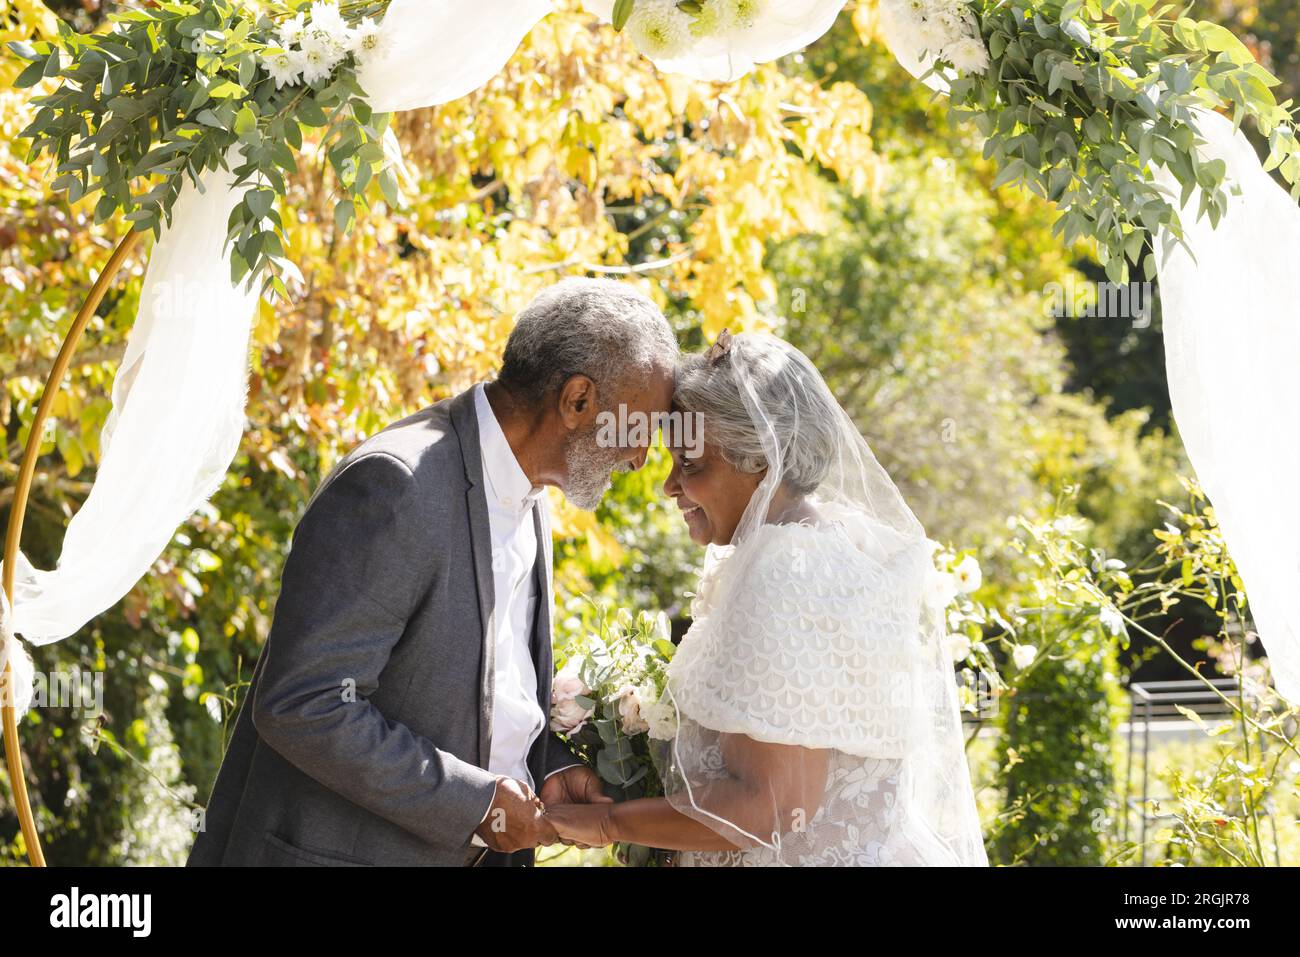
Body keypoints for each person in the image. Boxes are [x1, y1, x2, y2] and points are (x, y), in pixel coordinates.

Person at [187, 277, 677, 866]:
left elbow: (482, 693)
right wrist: (476, 805)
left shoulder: (533, 497)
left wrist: (546, 765)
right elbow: (304, 702)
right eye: (638, 428)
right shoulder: (397, 485)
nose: (641, 456)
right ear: (576, 401)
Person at [544, 330, 988, 866]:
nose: (668, 486)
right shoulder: (849, 546)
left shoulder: (782, 569)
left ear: (760, 459)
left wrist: (608, 821)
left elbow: (770, 805)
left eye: (690, 463)